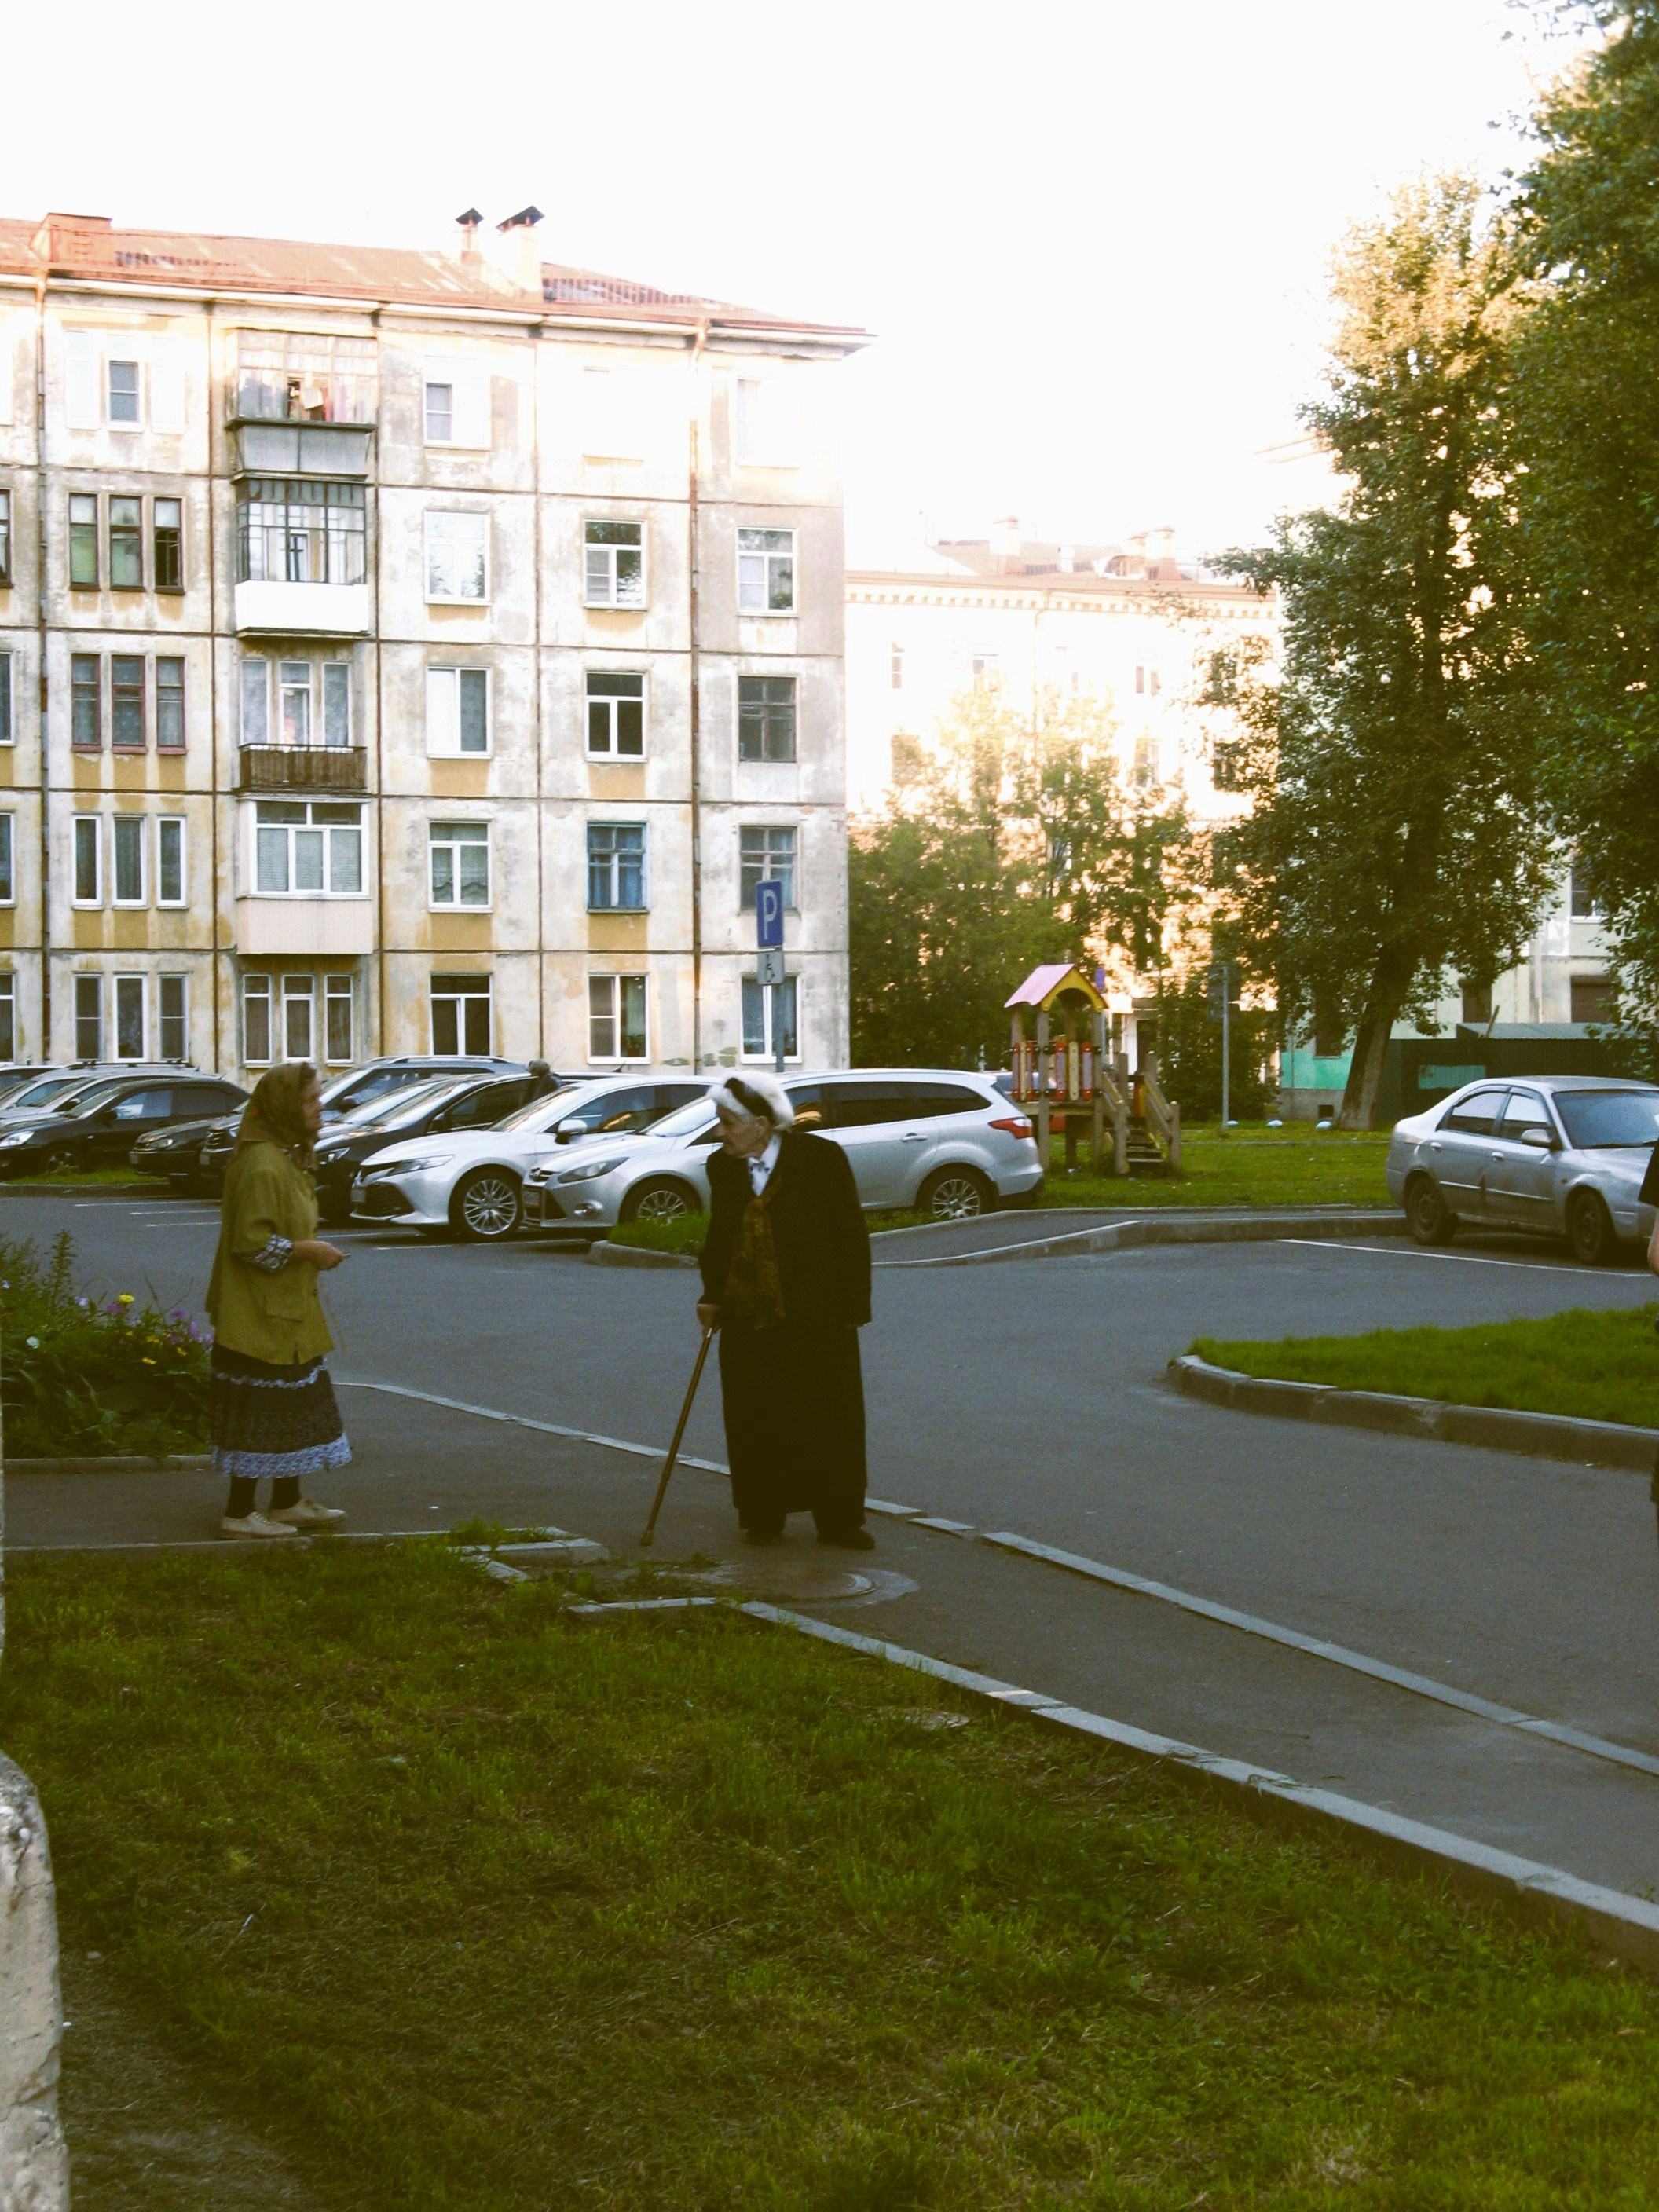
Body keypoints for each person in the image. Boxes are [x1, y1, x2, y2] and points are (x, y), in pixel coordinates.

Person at [696, 1071, 874, 1549]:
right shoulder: (722, 1168)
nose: (720, 1133)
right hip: (747, 1312)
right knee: (755, 1411)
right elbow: (720, 1237)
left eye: (727, 1124)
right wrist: (711, 1294)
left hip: (817, 1312)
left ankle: (839, 1520)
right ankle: (762, 1513)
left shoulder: (821, 1160)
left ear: (759, 1124)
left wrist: (854, 1306)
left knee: (826, 1413)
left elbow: (850, 1235)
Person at [205, 1061, 351, 1539]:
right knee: (259, 1411)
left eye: (319, 1097)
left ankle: (286, 1502)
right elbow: (250, 1244)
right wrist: (308, 1250)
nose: (320, 1106)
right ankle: (238, 1512)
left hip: (285, 1312)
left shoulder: (286, 1156)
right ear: (287, 1107)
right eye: (311, 1100)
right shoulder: (263, 1162)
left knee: (291, 1408)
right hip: (258, 1316)